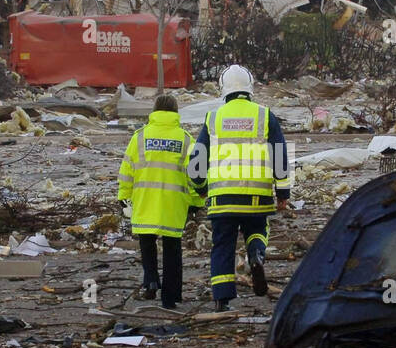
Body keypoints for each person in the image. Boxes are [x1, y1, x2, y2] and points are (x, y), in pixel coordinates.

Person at [188, 64, 290, 311]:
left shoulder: (213, 118)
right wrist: (283, 194)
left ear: (223, 88)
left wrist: (201, 188)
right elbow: (280, 156)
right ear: (250, 87)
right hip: (257, 196)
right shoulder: (265, 115)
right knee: (257, 229)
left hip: (222, 198)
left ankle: (222, 301)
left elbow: (197, 161)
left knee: (222, 245)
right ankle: (255, 253)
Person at [117, 94, 202, 309]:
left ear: (154, 110)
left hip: (145, 199)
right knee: (172, 249)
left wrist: (123, 196)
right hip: (174, 202)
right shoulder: (185, 139)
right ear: (176, 112)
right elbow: (195, 175)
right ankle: (170, 297)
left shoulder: (139, 137)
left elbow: (127, 170)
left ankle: (151, 281)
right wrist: (196, 203)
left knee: (147, 243)